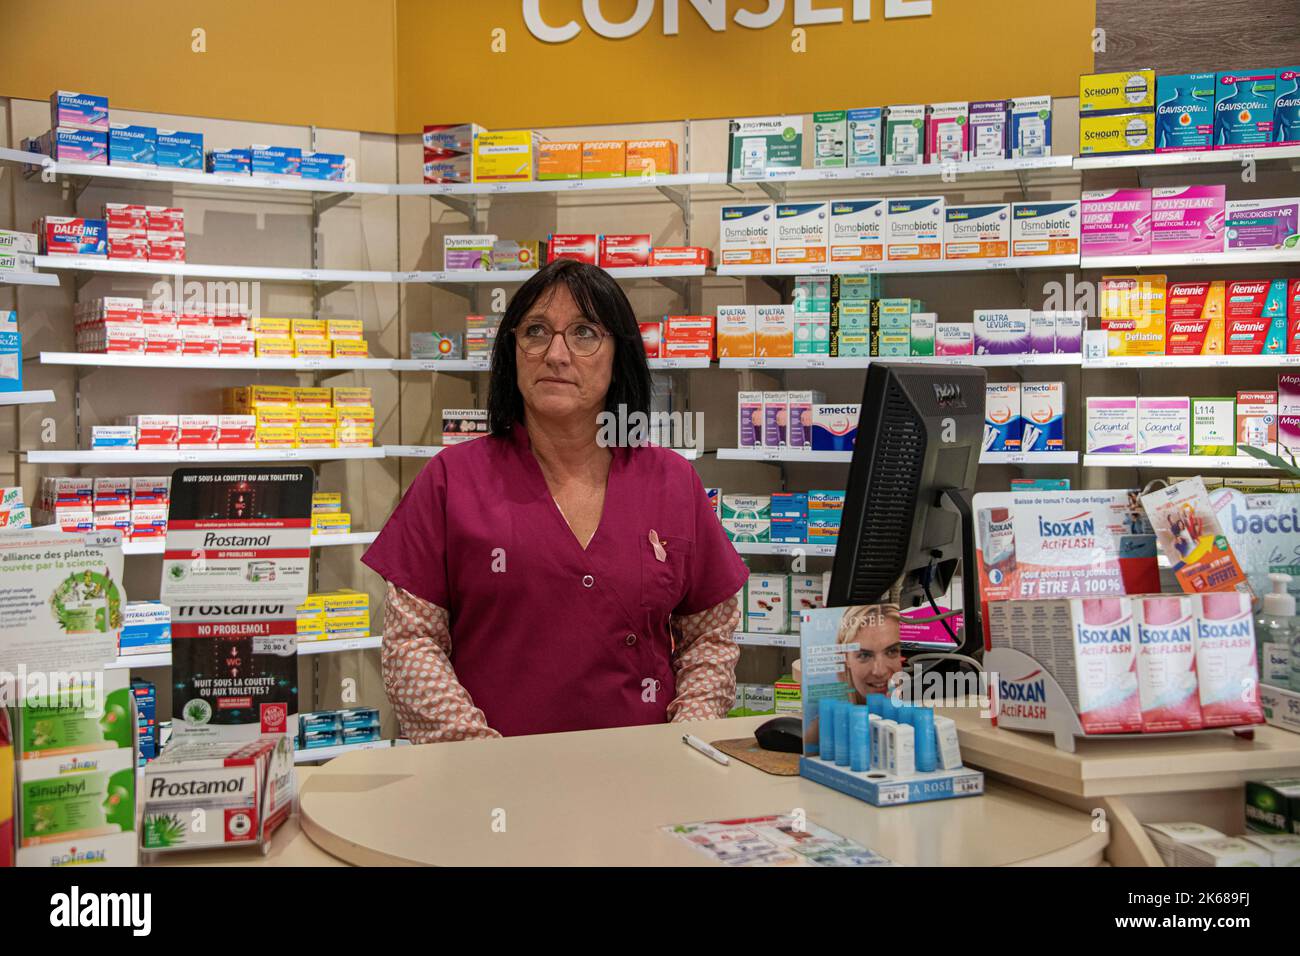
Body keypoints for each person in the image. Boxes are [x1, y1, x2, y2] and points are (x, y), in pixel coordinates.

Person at [363, 258, 749, 742]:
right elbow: (412, 642)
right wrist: (474, 753)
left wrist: (683, 741)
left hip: (645, 771)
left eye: (584, 333)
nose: (556, 354)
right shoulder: (451, 479)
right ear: (512, 351)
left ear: (620, 355)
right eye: (536, 331)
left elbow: (710, 637)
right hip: (489, 774)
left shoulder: (671, 480)